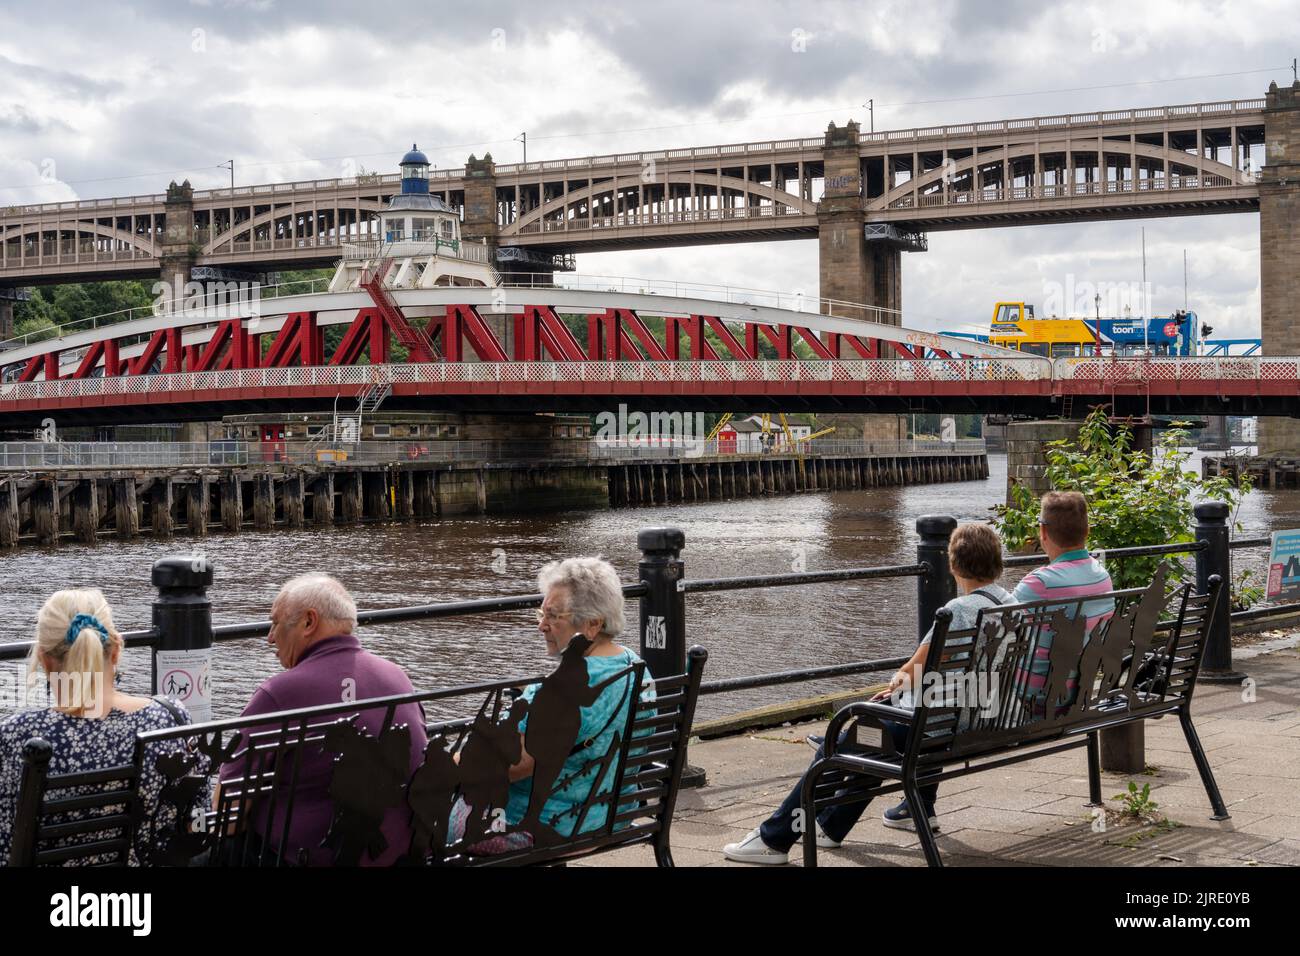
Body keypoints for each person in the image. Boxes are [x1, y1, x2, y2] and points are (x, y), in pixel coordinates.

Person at [723, 523, 1013, 865]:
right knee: (871, 735)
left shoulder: (956, 612)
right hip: (993, 719)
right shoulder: (1013, 602)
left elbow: (908, 674)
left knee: (850, 739)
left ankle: (773, 839)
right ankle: (830, 827)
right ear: (997, 564)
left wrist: (890, 691)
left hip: (943, 730)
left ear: (953, 565)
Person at [217, 573, 427, 866]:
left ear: (308, 622)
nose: (270, 637)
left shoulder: (279, 693)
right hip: (398, 856)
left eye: (275, 622)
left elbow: (227, 815)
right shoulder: (398, 678)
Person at [450, 557, 654, 851]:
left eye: (554, 616)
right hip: (612, 815)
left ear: (593, 624)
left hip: (544, 826)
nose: (541, 626)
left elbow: (510, 765)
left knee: (425, 817)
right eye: (541, 613)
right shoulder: (636, 667)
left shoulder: (559, 690)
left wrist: (449, 765)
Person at [0, 589, 204, 865]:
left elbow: (6, 843)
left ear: (45, 661)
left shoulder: (19, 735)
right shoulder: (169, 717)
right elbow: (198, 815)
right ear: (117, 650)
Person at [1011, 490, 1114, 715]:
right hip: (1080, 697)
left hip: (1033, 703)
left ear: (1043, 532)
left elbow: (998, 625)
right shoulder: (1103, 577)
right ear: (1087, 531)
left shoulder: (1039, 583)